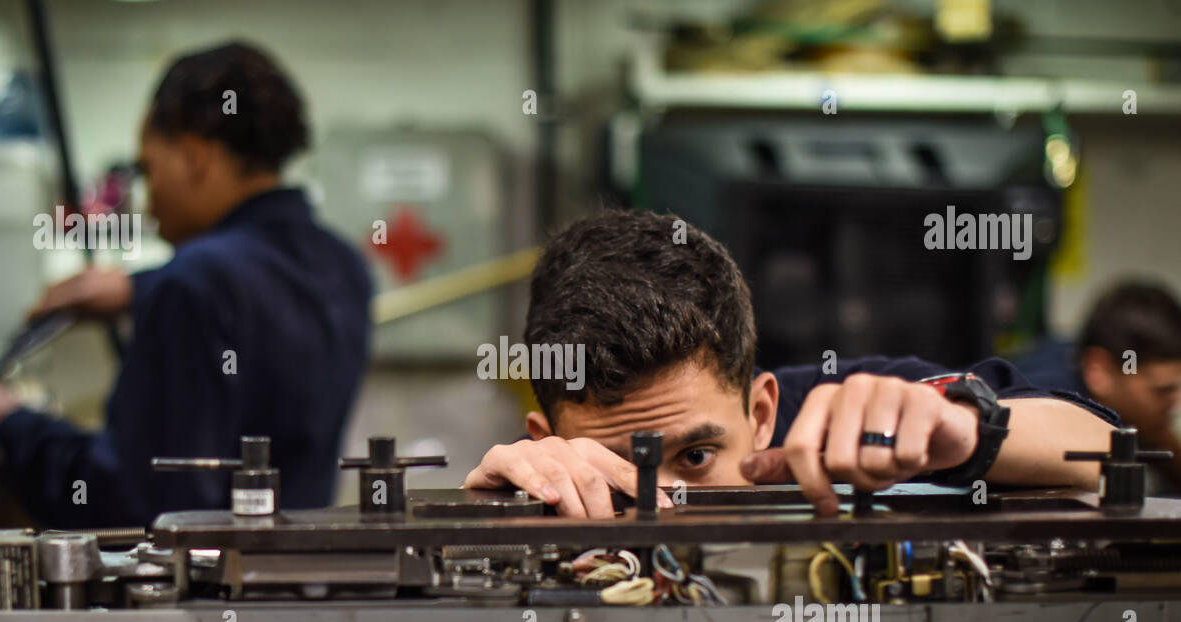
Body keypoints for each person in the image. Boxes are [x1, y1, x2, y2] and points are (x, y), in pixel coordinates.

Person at [0, 42, 372, 527]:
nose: (148, 199)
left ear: (195, 157)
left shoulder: (194, 281)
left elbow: (135, 500)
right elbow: (258, 287)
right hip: (305, 577)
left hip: (204, 592)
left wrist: (9, 423)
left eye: (148, 169)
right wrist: (137, 289)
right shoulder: (344, 265)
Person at [464, 210, 1118, 518]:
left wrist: (970, 437)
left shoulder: (861, 411)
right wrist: (499, 512)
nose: (660, 502)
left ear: (762, 411)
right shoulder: (543, 475)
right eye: (620, 469)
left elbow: (1106, 451)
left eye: (695, 457)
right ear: (547, 437)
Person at [1013, 281, 1181, 494]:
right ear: (1099, 370)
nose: (1175, 405)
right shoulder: (1041, 410)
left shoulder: (1076, 357)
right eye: (1161, 390)